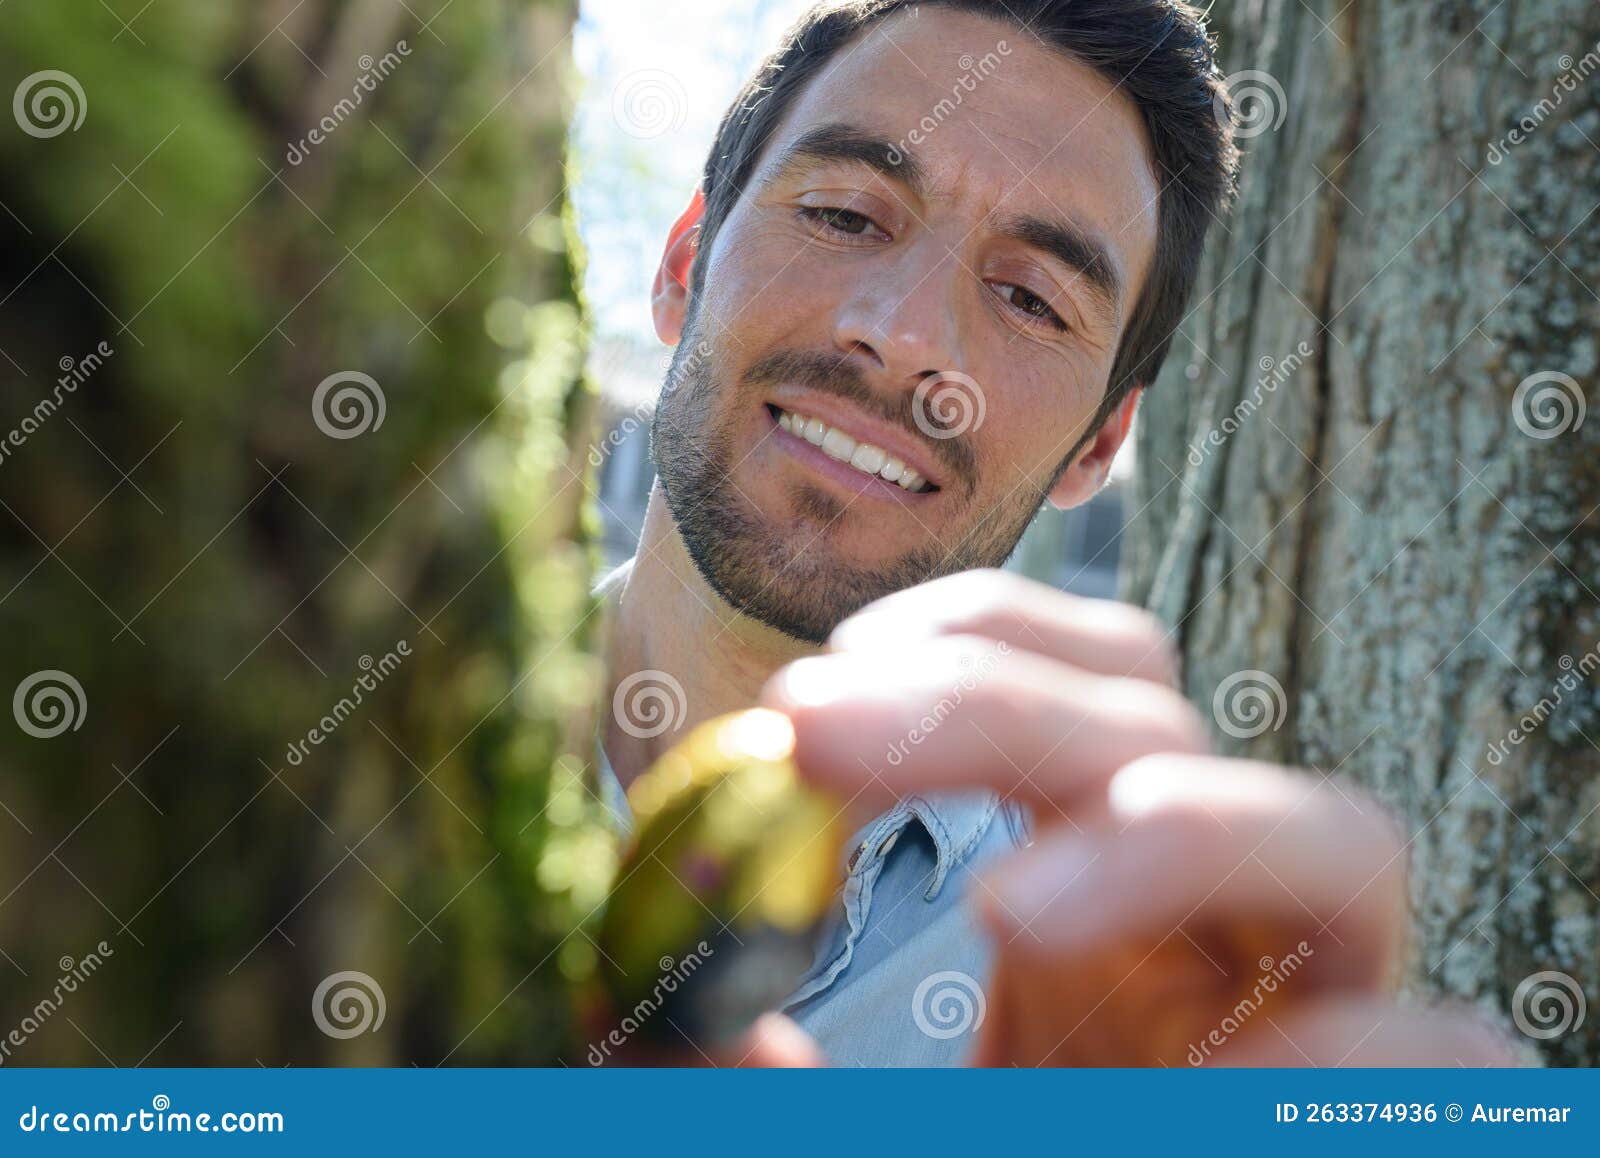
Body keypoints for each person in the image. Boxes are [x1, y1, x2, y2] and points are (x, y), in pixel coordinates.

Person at [594, 0, 1513, 1066]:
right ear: (682, 263)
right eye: (846, 214)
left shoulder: (1128, 1001)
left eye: (1030, 299)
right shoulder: (367, 722)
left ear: (1097, 445)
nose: (903, 337)